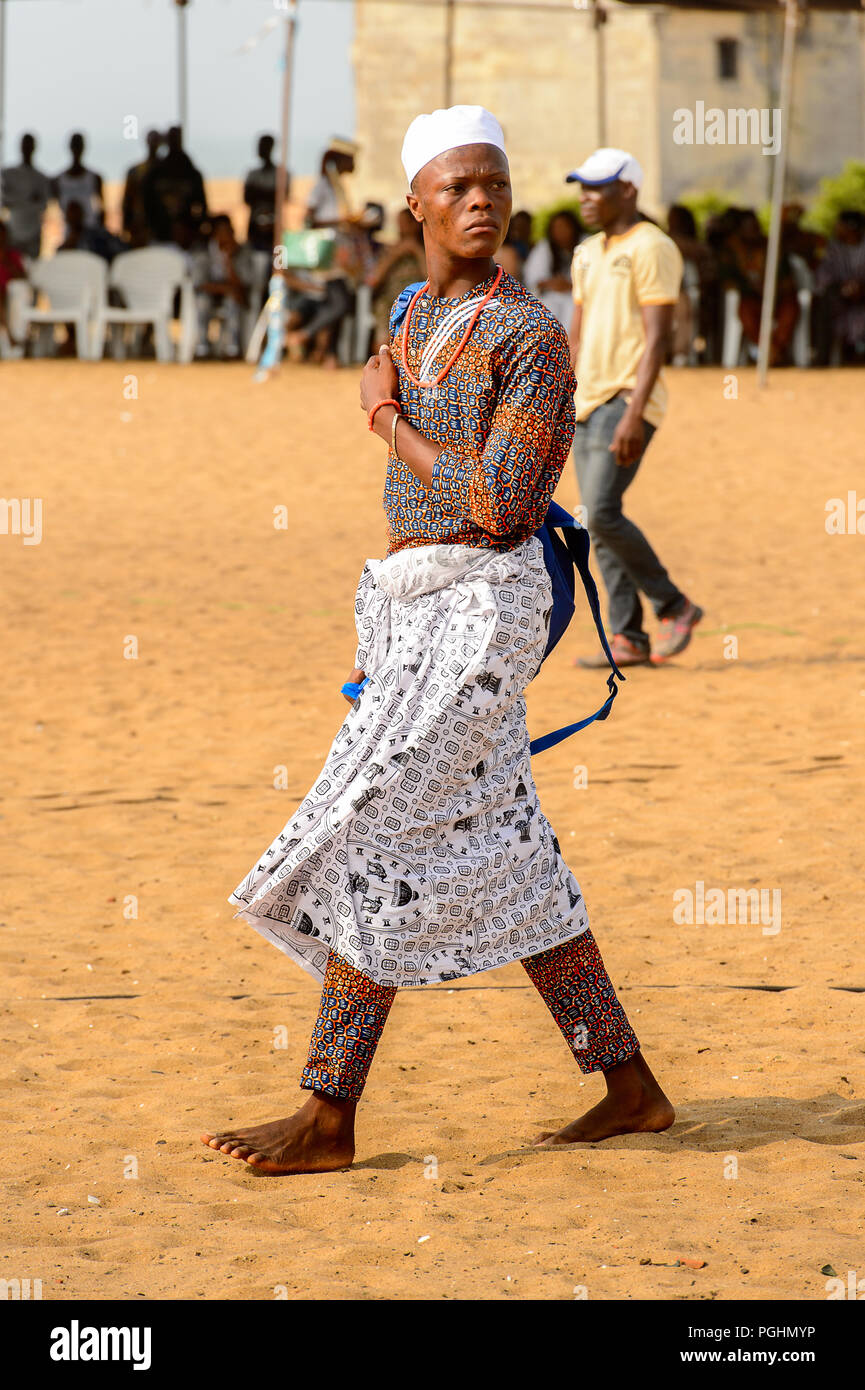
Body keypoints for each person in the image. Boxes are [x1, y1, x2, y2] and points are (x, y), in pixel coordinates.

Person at [202, 105, 675, 1177]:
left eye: (495, 187)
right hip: (410, 607)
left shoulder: (530, 338)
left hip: (486, 612)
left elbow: (505, 502)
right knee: (511, 855)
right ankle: (629, 1083)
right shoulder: (409, 313)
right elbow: (422, 496)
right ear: (414, 202)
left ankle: (329, 1112)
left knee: (378, 831)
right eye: (457, 187)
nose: (480, 204)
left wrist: (382, 418)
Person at [566, 148, 702, 667]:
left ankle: (675, 604)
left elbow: (658, 335)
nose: (585, 197)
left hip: (627, 399)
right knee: (599, 519)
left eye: (596, 187)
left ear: (628, 190)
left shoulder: (653, 247)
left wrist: (633, 411)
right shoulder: (584, 252)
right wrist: (561, 394)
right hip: (585, 400)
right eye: (581, 186)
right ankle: (628, 637)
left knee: (600, 512)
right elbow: (577, 334)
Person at [191, 214, 254, 359]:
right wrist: (227, 289)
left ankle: (232, 348)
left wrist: (229, 260)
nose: (225, 236)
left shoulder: (242, 251)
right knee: (202, 301)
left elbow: (243, 284)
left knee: (232, 301)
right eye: (221, 231)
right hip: (211, 293)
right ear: (214, 234)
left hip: (232, 295)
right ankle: (202, 348)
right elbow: (199, 284)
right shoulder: (202, 252)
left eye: (228, 231)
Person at [367, 205, 426, 347]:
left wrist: (415, 250)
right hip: (390, 299)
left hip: (418, 299)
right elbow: (374, 279)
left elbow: (431, 278)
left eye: (404, 222)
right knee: (385, 312)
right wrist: (394, 256)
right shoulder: (390, 249)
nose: (400, 227)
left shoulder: (426, 250)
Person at [141, 125, 207, 245]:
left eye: (176, 139)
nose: (174, 143)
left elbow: (202, 205)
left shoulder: (190, 172)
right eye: (172, 139)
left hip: (187, 237)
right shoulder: (156, 172)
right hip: (161, 233)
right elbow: (146, 203)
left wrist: (194, 228)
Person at [814, 210, 865, 364]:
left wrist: (860, 287)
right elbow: (823, 275)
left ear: (851, 227)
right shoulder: (833, 247)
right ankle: (822, 358)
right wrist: (844, 288)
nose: (836, 228)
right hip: (839, 297)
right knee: (823, 304)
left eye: (840, 225)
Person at [523, 208, 581, 330]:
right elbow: (533, 280)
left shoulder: (585, 244)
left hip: (576, 297)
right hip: (550, 297)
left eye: (564, 227)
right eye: (556, 228)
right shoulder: (545, 247)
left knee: (572, 309)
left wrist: (570, 286)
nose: (560, 232)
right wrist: (552, 283)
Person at [1, 133, 51, 260]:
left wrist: (17, 198)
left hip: (33, 233)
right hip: (14, 232)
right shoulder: (8, 174)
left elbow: (43, 205)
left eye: (29, 145)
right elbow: (4, 201)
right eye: (25, 145)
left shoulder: (41, 178)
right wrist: (28, 199)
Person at [243, 133, 289, 254]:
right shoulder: (253, 174)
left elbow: (283, 197)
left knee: (277, 259)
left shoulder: (281, 174)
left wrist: (260, 192)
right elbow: (247, 198)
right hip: (254, 228)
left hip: (275, 227)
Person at [53, 132, 104, 235]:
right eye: (75, 146)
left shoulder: (94, 177)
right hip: (68, 232)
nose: (76, 150)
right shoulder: (59, 179)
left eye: (78, 146)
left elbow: (102, 207)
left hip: (90, 229)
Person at [121, 129, 164, 247]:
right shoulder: (135, 171)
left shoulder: (165, 170)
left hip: (159, 224)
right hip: (140, 222)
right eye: (152, 141)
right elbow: (127, 200)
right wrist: (126, 225)